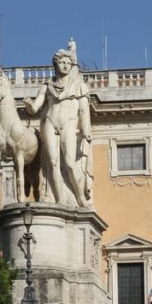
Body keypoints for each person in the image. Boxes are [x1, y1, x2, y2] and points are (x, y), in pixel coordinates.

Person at [22, 49, 93, 206]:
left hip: (69, 124)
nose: (65, 65)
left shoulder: (79, 86)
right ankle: (59, 200)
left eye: (68, 63)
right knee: (53, 162)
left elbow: (83, 110)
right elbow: (35, 108)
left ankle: (80, 197)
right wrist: (29, 105)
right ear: (55, 64)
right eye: (62, 62)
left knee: (70, 163)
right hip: (50, 122)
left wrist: (86, 129)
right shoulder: (47, 86)